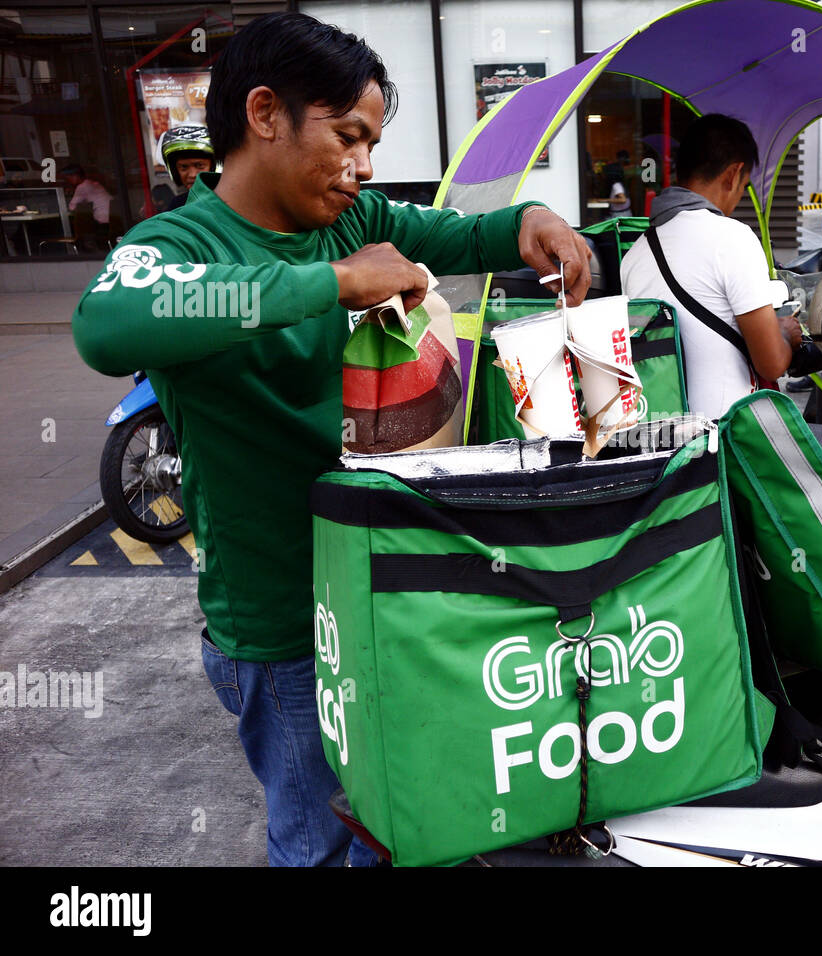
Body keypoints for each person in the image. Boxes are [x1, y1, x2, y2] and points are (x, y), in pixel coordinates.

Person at [71, 12, 590, 867]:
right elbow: (108, 324)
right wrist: (333, 284)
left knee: (395, 829)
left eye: (373, 142)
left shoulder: (350, 215)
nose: (364, 166)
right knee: (317, 844)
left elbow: (458, 233)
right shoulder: (182, 242)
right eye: (348, 136)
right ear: (266, 113)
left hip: (393, 597)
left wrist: (532, 219)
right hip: (285, 628)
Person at [620, 113, 800, 420]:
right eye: (743, 186)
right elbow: (771, 364)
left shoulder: (634, 255)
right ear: (733, 174)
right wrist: (784, 334)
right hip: (727, 438)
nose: (738, 197)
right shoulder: (733, 237)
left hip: (663, 437)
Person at [158, 124, 216, 211]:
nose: (192, 175)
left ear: (213, 166)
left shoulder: (229, 201)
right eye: (184, 167)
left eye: (200, 166)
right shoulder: (177, 204)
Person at [62, 164, 114, 248]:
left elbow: (72, 207)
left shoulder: (82, 187)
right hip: (112, 220)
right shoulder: (94, 184)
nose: (68, 181)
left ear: (76, 176)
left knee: (81, 228)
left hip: (101, 223)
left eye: (68, 178)